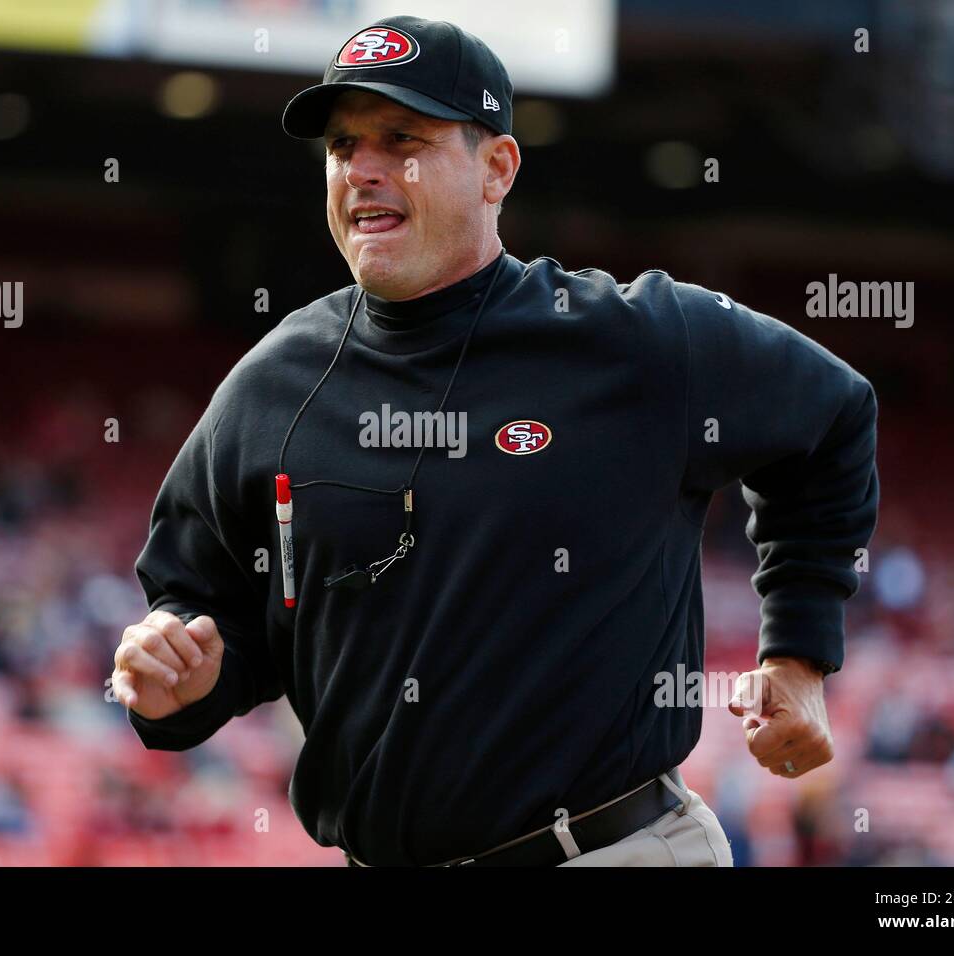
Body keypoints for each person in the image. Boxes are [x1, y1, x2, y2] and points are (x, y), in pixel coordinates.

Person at [111, 15, 880, 867]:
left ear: (497, 168)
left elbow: (835, 417)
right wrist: (172, 680)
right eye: (341, 146)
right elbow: (203, 616)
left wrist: (800, 652)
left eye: (402, 139)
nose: (363, 169)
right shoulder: (275, 383)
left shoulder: (635, 340)